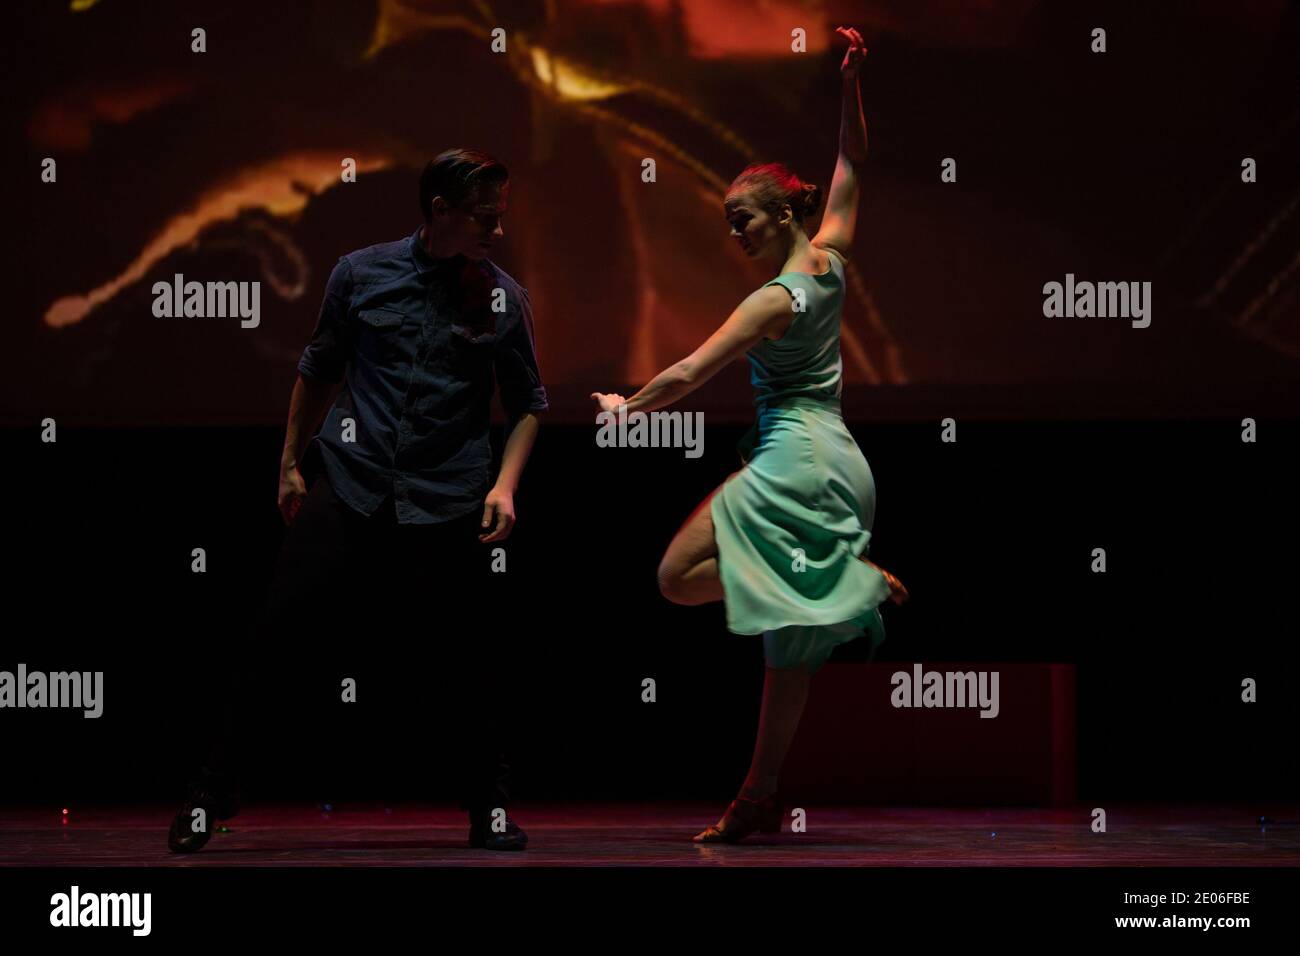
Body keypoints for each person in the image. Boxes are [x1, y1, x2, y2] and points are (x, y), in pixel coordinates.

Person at [168, 147, 547, 853]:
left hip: (446, 495)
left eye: (501, 214)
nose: (497, 228)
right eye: (483, 215)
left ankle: (487, 809)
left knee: (466, 662)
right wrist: (289, 463)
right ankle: (210, 795)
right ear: (440, 211)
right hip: (352, 480)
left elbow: (528, 402)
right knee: (274, 639)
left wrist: (504, 484)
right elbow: (318, 371)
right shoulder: (360, 273)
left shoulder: (502, 297)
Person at [591, 27, 907, 843]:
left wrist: (627, 411)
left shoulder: (774, 300)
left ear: (778, 216)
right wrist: (852, 83)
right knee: (788, 655)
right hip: (845, 462)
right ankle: (759, 797)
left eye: (742, 221)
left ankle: (838, 577)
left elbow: (691, 373)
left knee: (674, 575)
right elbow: (851, 164)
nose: (734, 236)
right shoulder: (830, 259)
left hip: (796, 458)